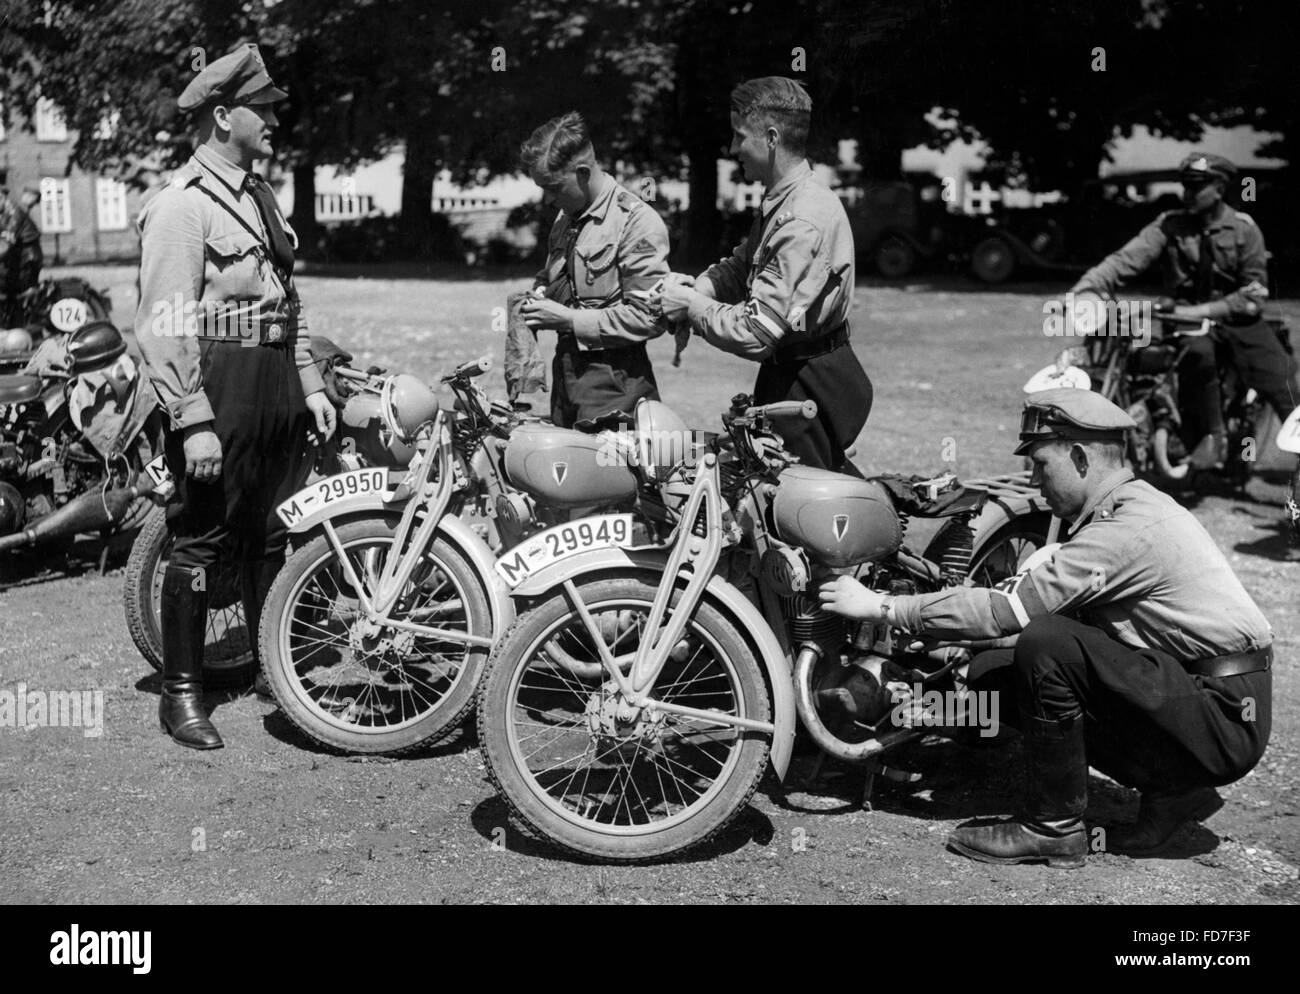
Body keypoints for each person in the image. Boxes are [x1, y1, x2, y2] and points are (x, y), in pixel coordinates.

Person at [818, 388, 1273, 867]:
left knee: (1048, 643)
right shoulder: (1125, 508)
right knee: (997, 673)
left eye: (1040, 464)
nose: (1034, 480)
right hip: (1195, 693)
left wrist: (883, 607)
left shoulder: (1126, 530)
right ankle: (1174, 791)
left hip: (1222, 713)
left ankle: (1053, 827)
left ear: (1078, 456)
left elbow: (1005, 612)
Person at [134, 43, 336, 750]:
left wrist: (307, 380)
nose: (279, 118)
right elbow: (162, 324)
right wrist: (192, 421)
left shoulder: (259, 194)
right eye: (267, 108)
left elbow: (287, 298)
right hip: (218, 382)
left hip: (274, 379)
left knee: (268, 532)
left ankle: (268, 669)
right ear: (224, 116)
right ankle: (183, 695)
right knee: (200, 542)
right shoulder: (181, 207)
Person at [660, 76, 872, 472]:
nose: (732, 148)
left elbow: (756, 334)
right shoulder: (784, 199)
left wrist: (691, 306)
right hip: (793, 373)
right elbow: (743, 265)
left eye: (740, 136)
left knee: (797, 514)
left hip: (811, 382)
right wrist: (699, 286)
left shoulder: (801, 218)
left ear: (771, 137)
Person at [1071, 152, 1296, 469]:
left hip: (1239, 321)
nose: (1187, 193)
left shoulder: (1245, 230)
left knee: (1280, 377)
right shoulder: (1169, 225)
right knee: (1190, 355)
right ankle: (1208, 438)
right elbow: (1123, 261)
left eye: (1197, 186)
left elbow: (1253, 293)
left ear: (1219, 188)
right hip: (1183, 319)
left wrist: (1202, 310)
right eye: (1185, 185)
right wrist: (1085, 290)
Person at [517, 111, 670, 428]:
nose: (548, 199)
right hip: (567, 374)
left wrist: (569, 319)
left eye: (553, 187)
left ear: (583, 173)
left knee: (610, 473)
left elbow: (651, 317)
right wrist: (540, 294)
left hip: (616, 383)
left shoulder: (636, 222)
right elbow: (554, 278)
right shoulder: (566, 217)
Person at [0, 172, 43, 328]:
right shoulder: (5, 214)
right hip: (19, 260)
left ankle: (15, 328)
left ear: (3, 197)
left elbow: (5, 244)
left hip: (27, 262)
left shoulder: (14, 213)